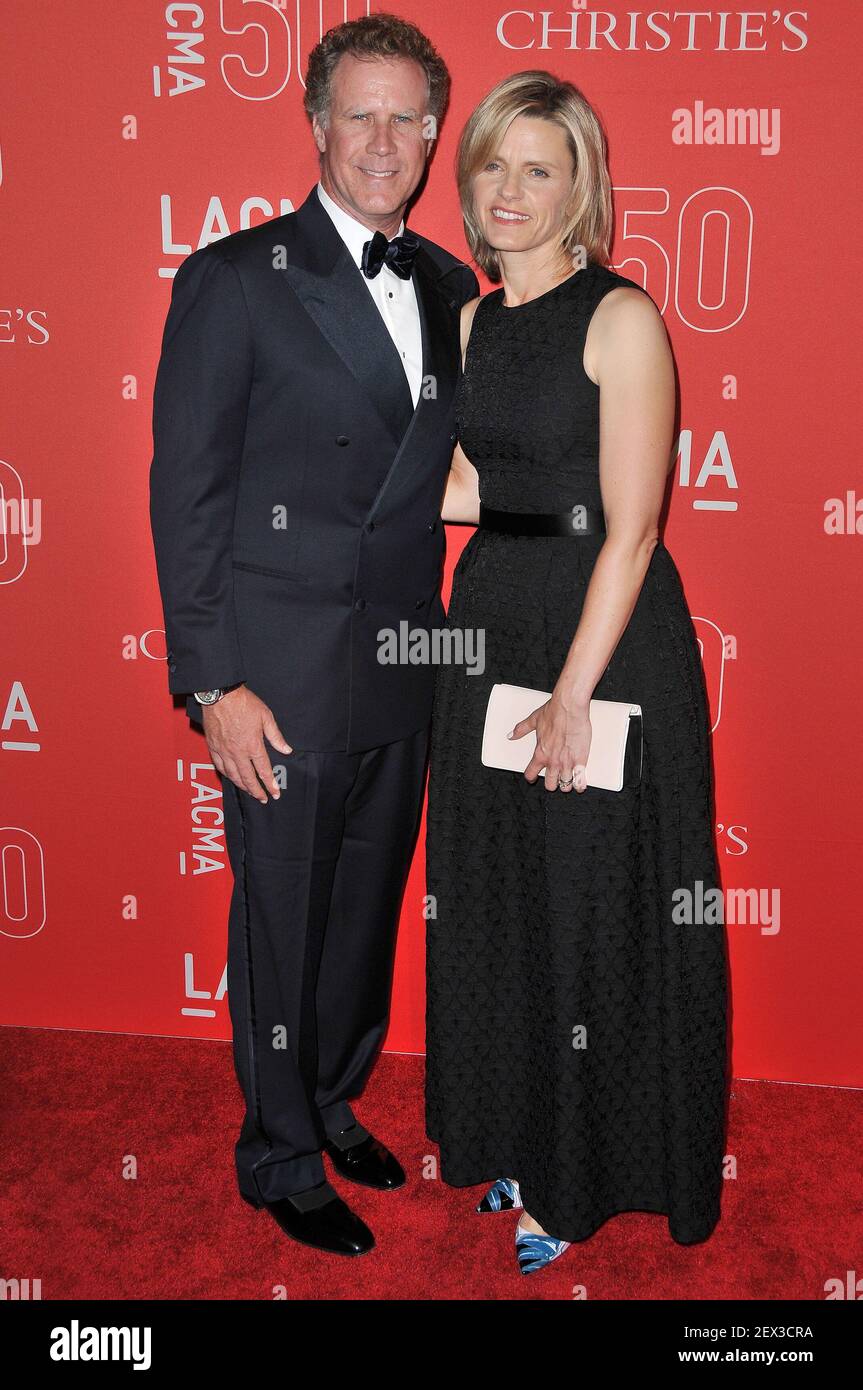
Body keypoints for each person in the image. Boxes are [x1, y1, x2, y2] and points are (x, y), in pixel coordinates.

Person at [149, 14, 478, 1257]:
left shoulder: (451, 287)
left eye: (408, 117)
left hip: (405, 663)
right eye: (361, 114)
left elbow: (439, 480)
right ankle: (277, 1152)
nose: (384, 140)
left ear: (436, 134)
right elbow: (184, 492)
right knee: (282, 917)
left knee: (362, 913)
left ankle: (331, 1102)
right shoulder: (237, 278)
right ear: (315, 124)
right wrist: (212, 678)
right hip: (277, 674)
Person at [425, 70, 730, 1274]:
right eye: (492, 165)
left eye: (536, 168)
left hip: (598, 640)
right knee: (498, 895)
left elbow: (634, 524)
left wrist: (571, 696)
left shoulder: (620, 318)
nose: (509, 189)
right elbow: (471, 487)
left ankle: (587, 1173)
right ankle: (514, 1133)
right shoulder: (469, 320)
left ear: (579, 188)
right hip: (487, 620)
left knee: (589, 909)